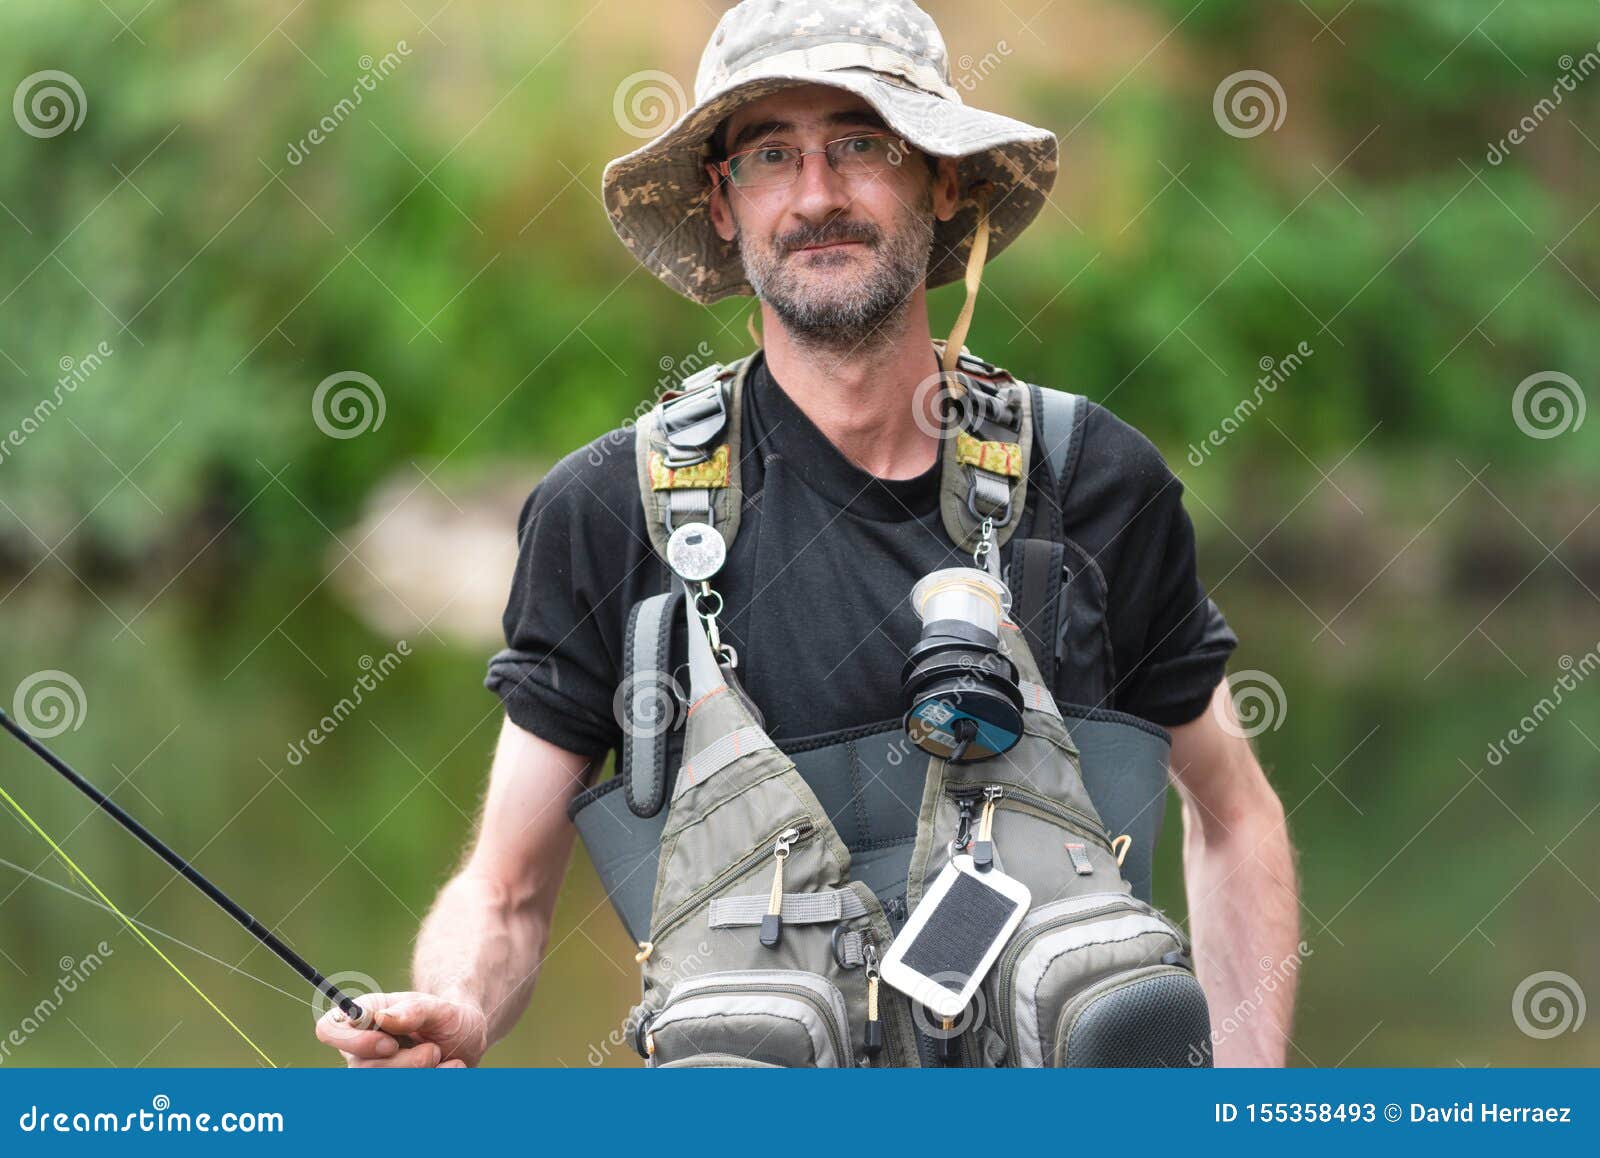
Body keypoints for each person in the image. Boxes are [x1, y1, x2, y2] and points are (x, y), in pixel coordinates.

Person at [317, 0, 1299, 1069]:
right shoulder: (606, 513)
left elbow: (1234, 815)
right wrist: (456, 1004)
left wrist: (1244, 1106)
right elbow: (504, 894)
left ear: (942, 180)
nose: (817, 194)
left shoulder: (1094, 480)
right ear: (721, 202)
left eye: (862, 143)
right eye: (769, 155)